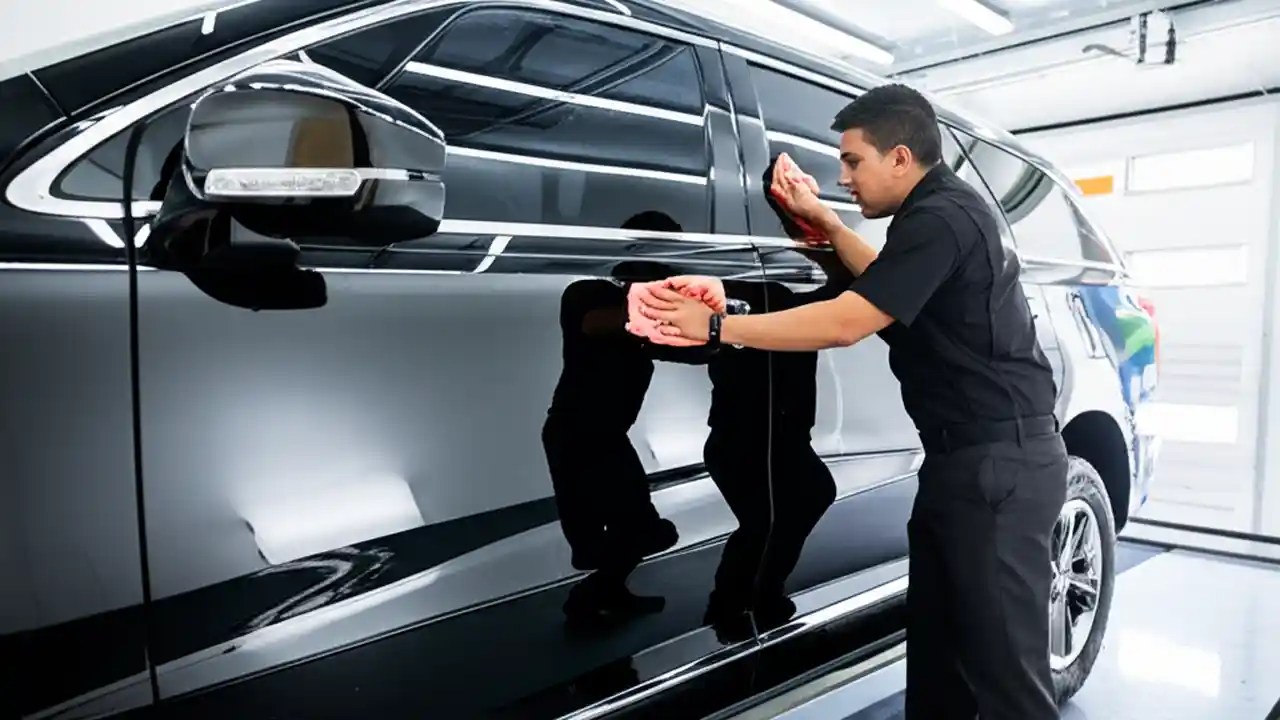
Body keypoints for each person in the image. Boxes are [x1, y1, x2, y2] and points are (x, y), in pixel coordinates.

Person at [633, 84, 1068, 720]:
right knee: (942, 664)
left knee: (1006, 682)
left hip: (999, 468)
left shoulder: (941, 219)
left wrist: (721, 327)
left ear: (899, 157)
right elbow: (887, 285)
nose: (841, 178)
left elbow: (847, 322)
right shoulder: (937, 213)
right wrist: (829, 226)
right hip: (963, 466)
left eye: (852, 162)